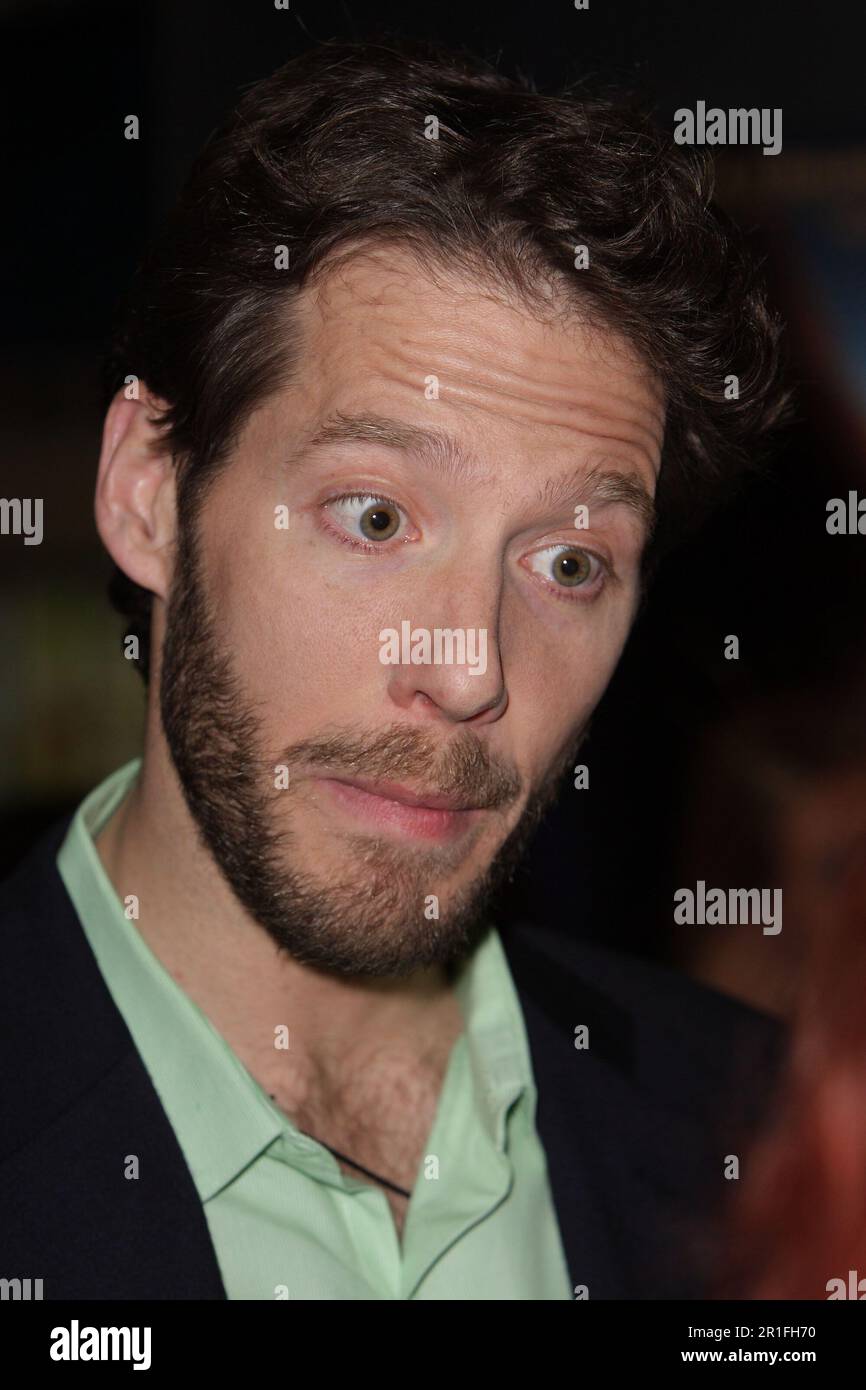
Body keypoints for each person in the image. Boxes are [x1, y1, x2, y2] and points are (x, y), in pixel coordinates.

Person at [0, 35, 790, 1300]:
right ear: (148, 491)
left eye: (569, 564)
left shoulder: (770, 1140)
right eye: (373, 517)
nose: (468, 669)